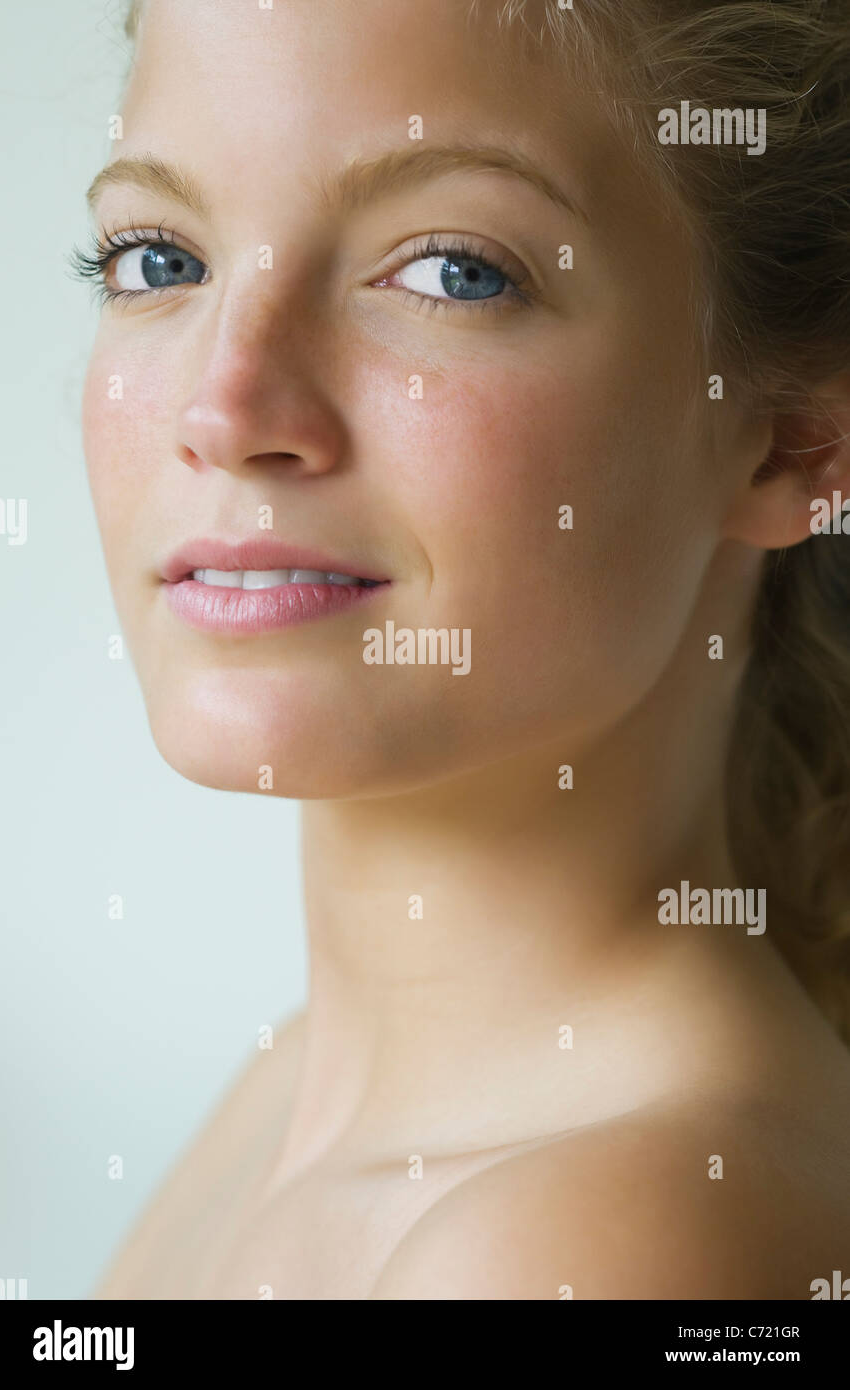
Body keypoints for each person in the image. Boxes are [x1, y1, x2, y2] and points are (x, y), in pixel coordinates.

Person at [74, 0, 850, 1299]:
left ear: (793, 442)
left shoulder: (597, 1236)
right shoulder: (289, 1094)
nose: (225, 406)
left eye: (451, 270)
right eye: (160, 259)